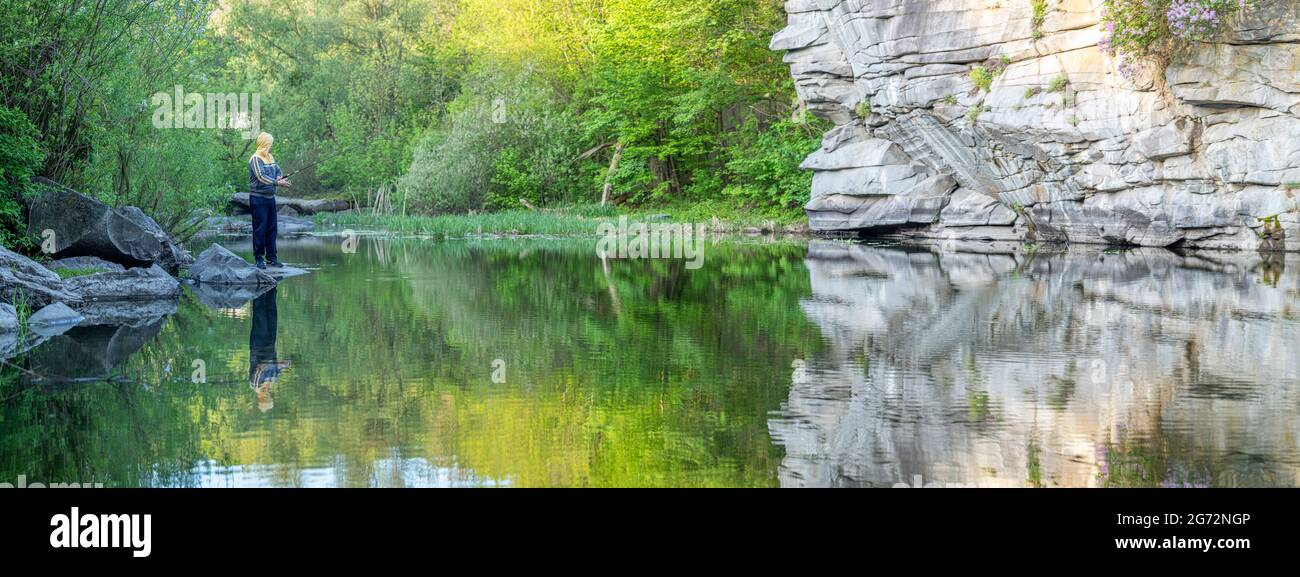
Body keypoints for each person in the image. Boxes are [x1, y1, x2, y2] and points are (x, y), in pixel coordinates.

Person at [249, 132, 292, 269]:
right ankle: (259, 258)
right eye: (269, 144)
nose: (270, 146)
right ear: (264, 144)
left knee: (272, 229)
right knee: (260, 229)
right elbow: (261, 177)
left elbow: (277, 170)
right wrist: (277, 183)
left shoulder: (270, 157)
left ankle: (272, 258)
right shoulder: (255, 159)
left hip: (270, 199)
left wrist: (279, 177)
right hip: (258, 199)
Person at [249, 287, 289, 413]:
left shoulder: (255, 385)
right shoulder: (272, 382)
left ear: (262, 399)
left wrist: (276, 364)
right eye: (270, 399)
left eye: (268, 399)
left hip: (258, 346)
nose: (269, 396)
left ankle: (259, 288)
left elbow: (260, 367)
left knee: (260, 315)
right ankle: (271, 288)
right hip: (271, 346)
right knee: (272, 313)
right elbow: (276, 369)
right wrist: (284, 365)